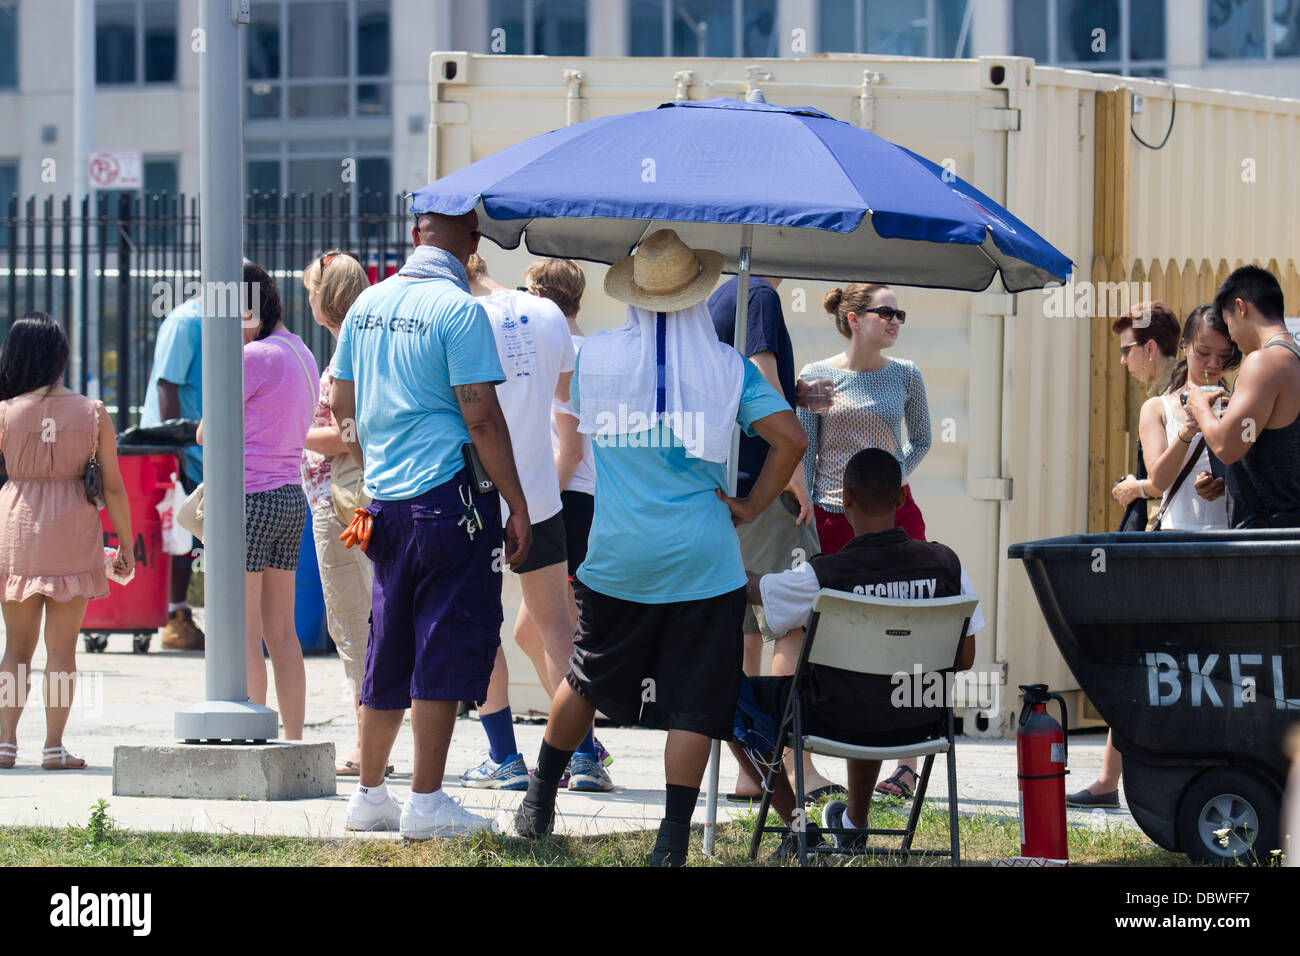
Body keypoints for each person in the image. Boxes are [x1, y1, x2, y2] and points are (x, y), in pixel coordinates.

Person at [513, 229, 807, 866]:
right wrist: (754, 506)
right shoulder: (725, 368)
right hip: (705, 562)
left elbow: (552, 402)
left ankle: (538, 798)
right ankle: (672, 841)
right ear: (698, 298)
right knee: (698, 703)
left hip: (618, 556)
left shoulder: (594, 362)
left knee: (587, 676)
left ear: (635, 297)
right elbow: (791, 439)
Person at [331, 209, 532, 840]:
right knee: (443, 644)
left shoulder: (367, 304)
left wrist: (373, 467)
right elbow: (482, 420)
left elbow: (341, 404)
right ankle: (426, 803)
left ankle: (369, 794)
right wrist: (518, 503)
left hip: (385, 504)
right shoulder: (460, 309)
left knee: (387, 643)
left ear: (416, 236)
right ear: (472, 244)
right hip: (449, 501)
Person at [729, 448, 984, 858]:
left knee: (727, 697)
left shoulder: (824, 575)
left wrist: (715, 551)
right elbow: (965, 657)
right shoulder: (947, 566)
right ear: (902, 499)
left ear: (844, 498)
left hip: (833, 717)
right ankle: (853, 825)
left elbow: (757, 589)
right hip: (919, 719)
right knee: (872, 690)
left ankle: (801, 832)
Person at [464, 254, 614, 793]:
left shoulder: (463, 316)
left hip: (505, 493)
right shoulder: (548, 327)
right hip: (544, 496)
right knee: (546, 626)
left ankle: (520, 754)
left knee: (492, 623)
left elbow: (570, 446)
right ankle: (580, 750)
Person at [797, 283, 932, 799]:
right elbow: (808, 447)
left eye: (901, 313)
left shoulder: (907, 374)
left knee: (914, 624)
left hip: (898, 515)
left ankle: (906, 766)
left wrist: (892, 479)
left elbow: (922, 438)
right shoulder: (817, 376)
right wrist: (809, 500)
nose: (896, 321)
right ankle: (809, 757)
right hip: (833, 515)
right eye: (885, 313)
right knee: (827, 632)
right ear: (854, 319)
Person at [709, 272, 825, 801]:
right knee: (795, 618)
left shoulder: (719, 296)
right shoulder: (759, 293)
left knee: (746, 625)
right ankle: (793, 765)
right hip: (766, 482)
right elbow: (759, 371)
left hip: (730, 485)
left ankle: (750, 766)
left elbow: (735, 382)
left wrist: (797, 391)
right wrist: (793, 467)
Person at [0, 312, 134, 771]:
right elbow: (113, 486)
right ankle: (54, 747)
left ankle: (4, 743)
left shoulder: (5, 411)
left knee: (16, 648)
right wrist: (127, 545)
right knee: (62, 649)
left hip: (16, 528)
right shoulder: (92, 412)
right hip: (74, 532)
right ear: (60, 357)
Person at [196, 262, 318, 741]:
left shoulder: (255, 357)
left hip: (249, 500)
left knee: (244, 632)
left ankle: (252, 737)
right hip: (290, 497)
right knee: (281, 634)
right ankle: (292, 739)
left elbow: (208, 432)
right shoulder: (301, 352)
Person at [1079, 301, 1191, 809]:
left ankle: (1109, 780)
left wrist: (1133, 485)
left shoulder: (1159, 406)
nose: (1124, 363)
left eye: (1127, 351)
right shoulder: (1212, 395)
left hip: (1164, 547)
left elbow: (1160, 481)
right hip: (1207, 541)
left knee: (1136, 660)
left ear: (1150, 348)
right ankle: (1108, 776)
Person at [300, 250, 377, 775]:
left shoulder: (348, 354)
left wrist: (294, 433)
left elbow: (353, 436)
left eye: (311, 290)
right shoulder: (365, 346)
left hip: (344, 504)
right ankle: (372, 740)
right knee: (367, 622)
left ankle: (367, 743)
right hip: (349, 502)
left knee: (352, 623)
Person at [1188, 266, 1300, 529]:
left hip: (1267, 539)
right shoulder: (1292, 360)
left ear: (1241, 308)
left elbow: (1227, 448)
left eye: (1228, 324)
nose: (1233, 338)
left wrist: (1199, 406)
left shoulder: (1263, 361)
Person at [139, 295, 205, 651]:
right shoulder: (186, 322)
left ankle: (177, 613)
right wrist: (174, 442)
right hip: (179, 445)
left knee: (191, 536)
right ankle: (174, 616)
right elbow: (168, 385)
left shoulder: (212, 321)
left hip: (197, 444)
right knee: (182, 531)